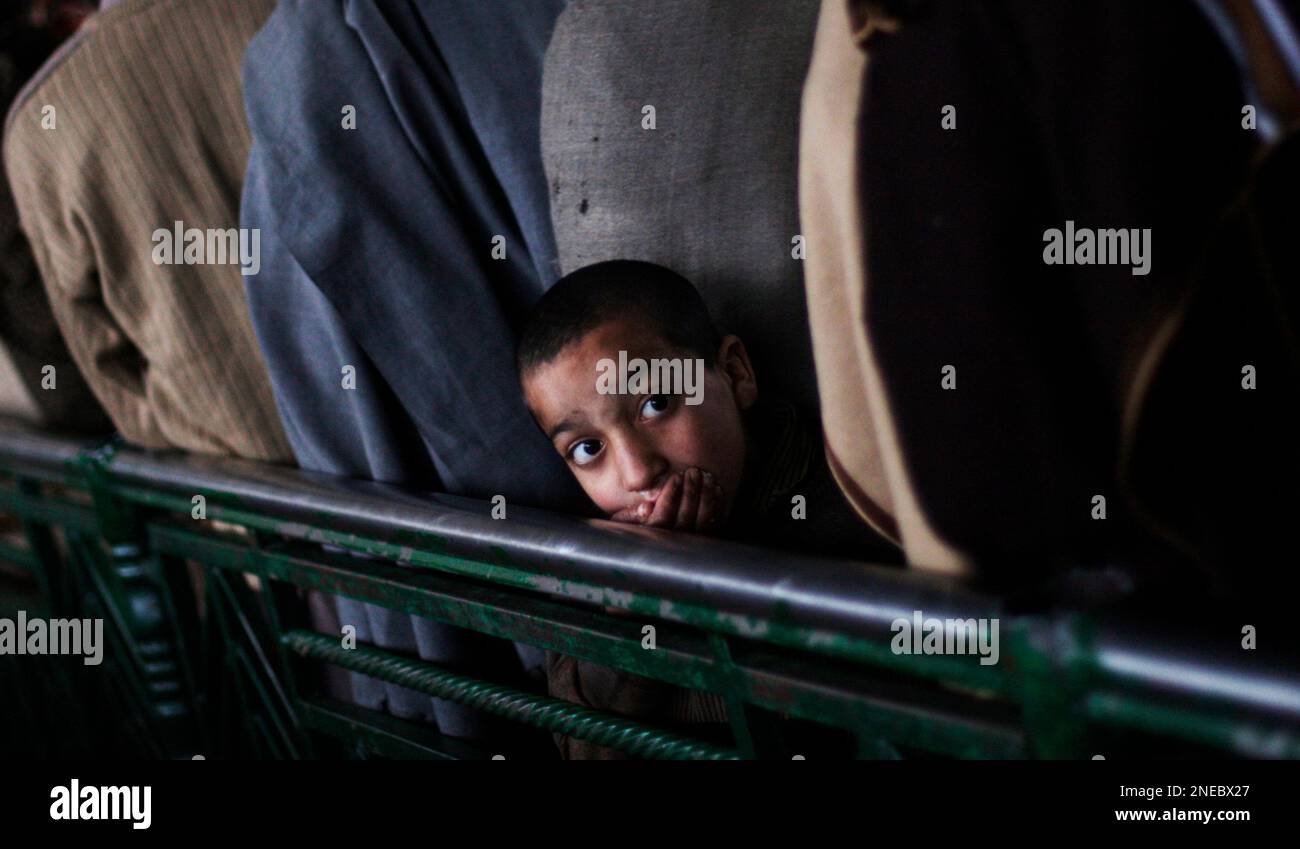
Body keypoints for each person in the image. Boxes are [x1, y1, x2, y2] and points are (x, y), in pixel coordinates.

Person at [516, 259, 899, 757]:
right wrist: (640, 612)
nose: (636, 474)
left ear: (735, 373)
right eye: (588, 449)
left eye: (656, 403)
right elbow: (589, 752)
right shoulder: (592, 575)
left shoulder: (856, 505)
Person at [3, 0, 290, 461]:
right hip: (410, 463)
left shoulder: (39, 124)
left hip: (228, 477)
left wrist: (184, 427)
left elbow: (103, 376)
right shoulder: (304, 15)